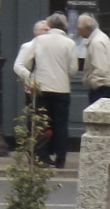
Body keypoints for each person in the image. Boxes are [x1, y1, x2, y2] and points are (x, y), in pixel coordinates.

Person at [14, 13, 79, 168]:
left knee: (40, 124)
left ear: (50, 25)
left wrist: (30, 77)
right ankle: (61, 159)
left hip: (41, 88)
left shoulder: (39, 40)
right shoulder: (70, 43)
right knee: (61, 125)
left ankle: (41, 158)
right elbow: (73, 69)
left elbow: (21, 64)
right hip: (62, 89)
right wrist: (63, 76)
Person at [79, 14, 110, 107]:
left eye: (79, 28)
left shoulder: (96, 42)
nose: (78, 31)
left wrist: (94, 84)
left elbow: (101, 69)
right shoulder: (101, 37)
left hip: (101, 89)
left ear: (85, 29)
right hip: (104, 87)